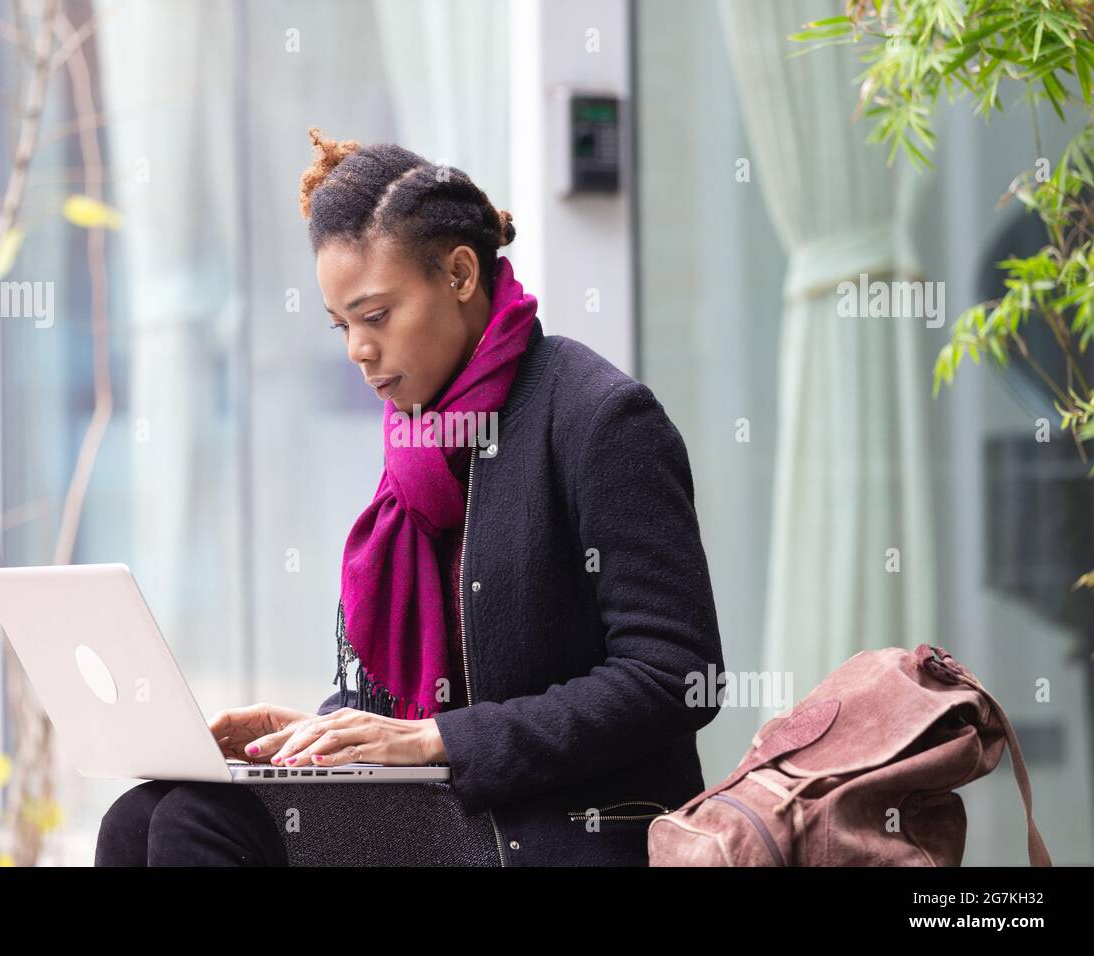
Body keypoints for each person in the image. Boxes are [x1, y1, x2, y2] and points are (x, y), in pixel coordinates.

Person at [94, 127, 725, 867]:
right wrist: (322, 734)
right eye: (342, 326)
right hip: (447, 811)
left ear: (459, 274)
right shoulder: (420, 445)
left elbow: (677, 677)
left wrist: (437, 740)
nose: (358, 350)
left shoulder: (599, 418)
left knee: (201, 825)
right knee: (138, 818)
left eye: (376, 315)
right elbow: (417, 696)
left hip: (563, 825)